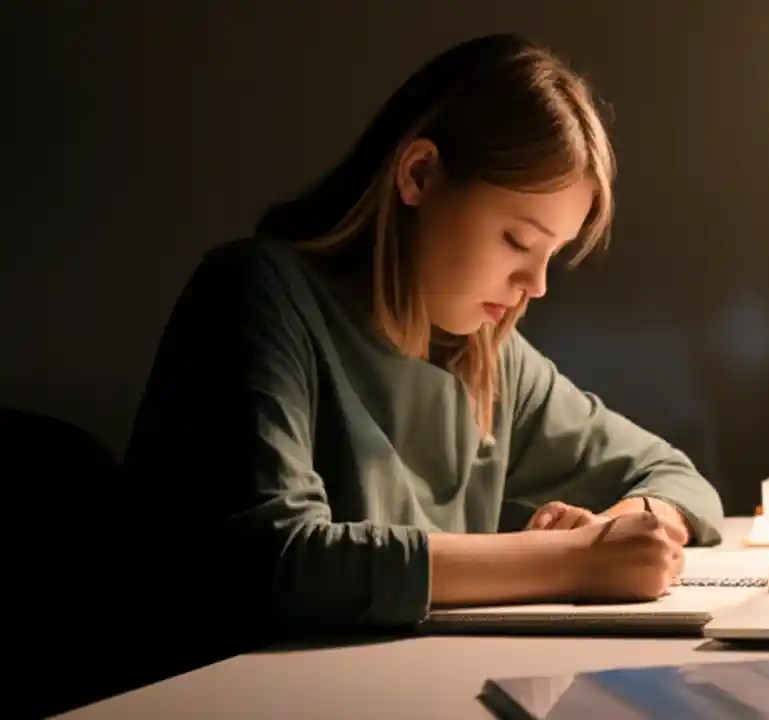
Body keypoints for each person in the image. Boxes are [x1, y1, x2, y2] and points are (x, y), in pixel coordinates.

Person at [119, 33, 725, 638]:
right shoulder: (257, 294)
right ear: (420, 174)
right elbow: (277, 559)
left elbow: (674, 475)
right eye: (517, 240)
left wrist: (624, 527)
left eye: (552, 254)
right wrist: (575, 561)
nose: (536, 284)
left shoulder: (488, 358)